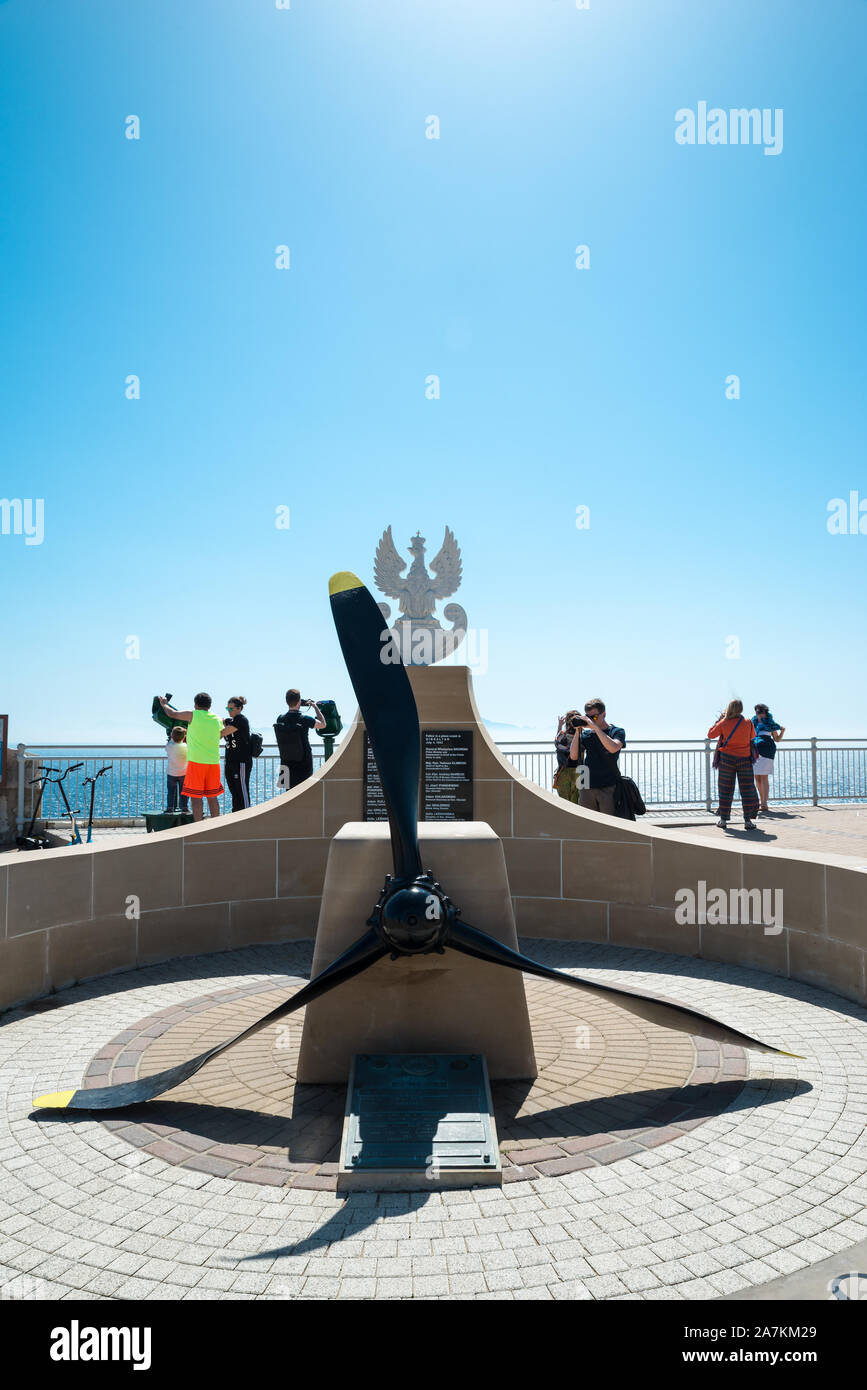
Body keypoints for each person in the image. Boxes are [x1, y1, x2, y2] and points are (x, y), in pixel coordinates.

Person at [158, 693, 226, 822]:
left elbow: (172, 714)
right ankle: (216, 826)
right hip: (213, 763)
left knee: (196, 797)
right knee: (212, 797)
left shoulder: (193, 714)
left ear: (195, 705)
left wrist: (164, 704)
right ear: (210, 705)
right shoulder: (217, 719)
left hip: (197, 762)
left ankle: (198, 828)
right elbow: (220, 733)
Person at [568, 698, 625, 816]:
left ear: (604, 714)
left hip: (608, 785)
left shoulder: (617, 731)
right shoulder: (586, 734)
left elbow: (613, 748)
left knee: (609, 824)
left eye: (594, 717)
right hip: (586, 784)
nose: (591, 721)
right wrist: (578, 732)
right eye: (588, 717)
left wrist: (595, 728)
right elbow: (573, 756)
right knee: (587, 823)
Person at [708, 699, 759, 831]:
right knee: (747, 790)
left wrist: (720, 720)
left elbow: (711, 734)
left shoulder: (724, 722)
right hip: (744, 759)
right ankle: (748, 821)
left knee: (725, 789)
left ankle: (723, 820)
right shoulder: (748, 722)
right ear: (741, 709)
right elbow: (752, 736)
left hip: (726, 760)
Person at [274, 688, 326, 789]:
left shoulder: (280, 718)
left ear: (286, 701)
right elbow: (323, 724)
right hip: (303, 763)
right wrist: (315, 706)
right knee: (304, 793)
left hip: (286, 762)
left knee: (288, 795)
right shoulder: (304, 719)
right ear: (299, 701)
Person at [752, 703, 785, 814]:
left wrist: (782, 732)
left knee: (764, 777)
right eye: (757, 712)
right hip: (755, 751)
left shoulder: (771, 724)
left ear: (765, 713)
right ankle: (761, 801)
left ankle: (764, 803)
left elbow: (777, 739)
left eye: (761, 712)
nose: (759, 715)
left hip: (767, 751)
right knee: (757, 777)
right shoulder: (753, 723)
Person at [222, 696, 252, 812]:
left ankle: (246, 815)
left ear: (239, 708)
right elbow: (222, 720)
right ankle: (236, 814)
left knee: (242, 790)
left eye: (231, 709)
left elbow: (222, 733)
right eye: (227, 709)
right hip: (230, 761)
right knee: (234, 791)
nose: (229, 711)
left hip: (241, 762)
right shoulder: (232, 721)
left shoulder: (241, 720)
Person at [553, 710, 584, 802]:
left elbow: (558, 740)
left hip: (563, 772)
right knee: (579, 805)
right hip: (580, 772)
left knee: (565, 805)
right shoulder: (584, 737)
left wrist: (560, 726)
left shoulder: (562, 737)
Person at [164, 726, 189, 814]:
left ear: (172, 736)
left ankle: (170, 808)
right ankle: (184, 808)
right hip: (184, 773)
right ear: (184, 737)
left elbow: (168, 745)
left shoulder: (169, 746)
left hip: (171, 773)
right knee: (184, 792)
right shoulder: (186, 746)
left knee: (171, 792)